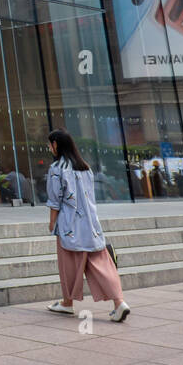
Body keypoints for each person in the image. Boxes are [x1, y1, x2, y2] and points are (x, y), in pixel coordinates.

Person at [45, 129, 130, 322]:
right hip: (91, 225)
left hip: (69, 225)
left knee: (68, 266)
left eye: (50, 144)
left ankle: (68, 303)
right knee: (101, 265)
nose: (49, 148)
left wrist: (52, 222)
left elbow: (55, 200)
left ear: (56, 145)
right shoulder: (85, 168)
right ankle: (119, 302)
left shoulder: (57, 168)